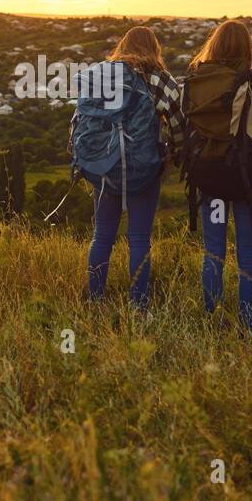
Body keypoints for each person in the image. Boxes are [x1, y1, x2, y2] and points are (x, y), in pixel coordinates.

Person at [75, 26, 184, 310]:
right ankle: (139, 305)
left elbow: (79, 121)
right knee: (138, 238)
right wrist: (174, 156)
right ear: (154, 48)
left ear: (122, 45)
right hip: (144, 168)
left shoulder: (101, 75)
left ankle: (95, 301)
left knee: (102, 235)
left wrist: (86, 160)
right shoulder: (161, 80)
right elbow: (177, 126)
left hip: (104, 167)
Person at [187, 20, 252, 330]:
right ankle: (247, 323)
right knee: (248, 250)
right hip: (244, 177)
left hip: (210, 174)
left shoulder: (198, 78)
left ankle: (213, 319)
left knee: (213, 250)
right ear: (246, 48)